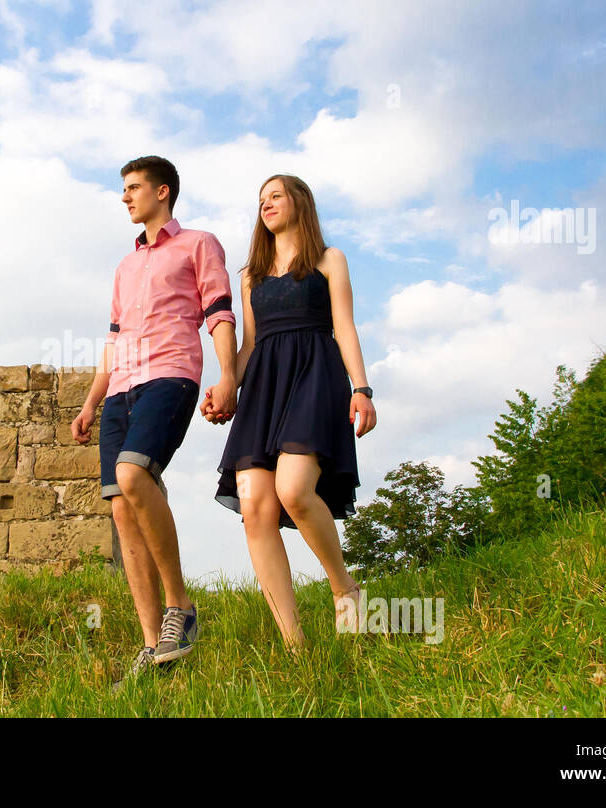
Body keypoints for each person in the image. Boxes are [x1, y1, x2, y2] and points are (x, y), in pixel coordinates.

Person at [71, 155, 238, 690]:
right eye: (123, 188)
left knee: (134, 474)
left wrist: (228, 377)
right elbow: (114, 339)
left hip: (171, 375)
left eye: (134, 187)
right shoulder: (124, 266)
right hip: (119, 387)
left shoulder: (199, 244)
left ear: (163, 191)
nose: (125, 196)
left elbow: (217, 313)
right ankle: (153, 645)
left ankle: (181, 608)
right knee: (121, 510)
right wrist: (91, 402)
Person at [201, 173, 377, 649]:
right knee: (256, 507)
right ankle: (295, 645)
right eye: (261, 199)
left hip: (315, 376)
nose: (267, 204)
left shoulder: (329, 259)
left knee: (294, 489)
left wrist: (362, 388)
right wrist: (226, 385)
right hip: (263, 386)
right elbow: (251, 343)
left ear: (300, 201)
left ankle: (345, 588)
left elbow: (344, 326)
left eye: (276, 196)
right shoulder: (251, 275)